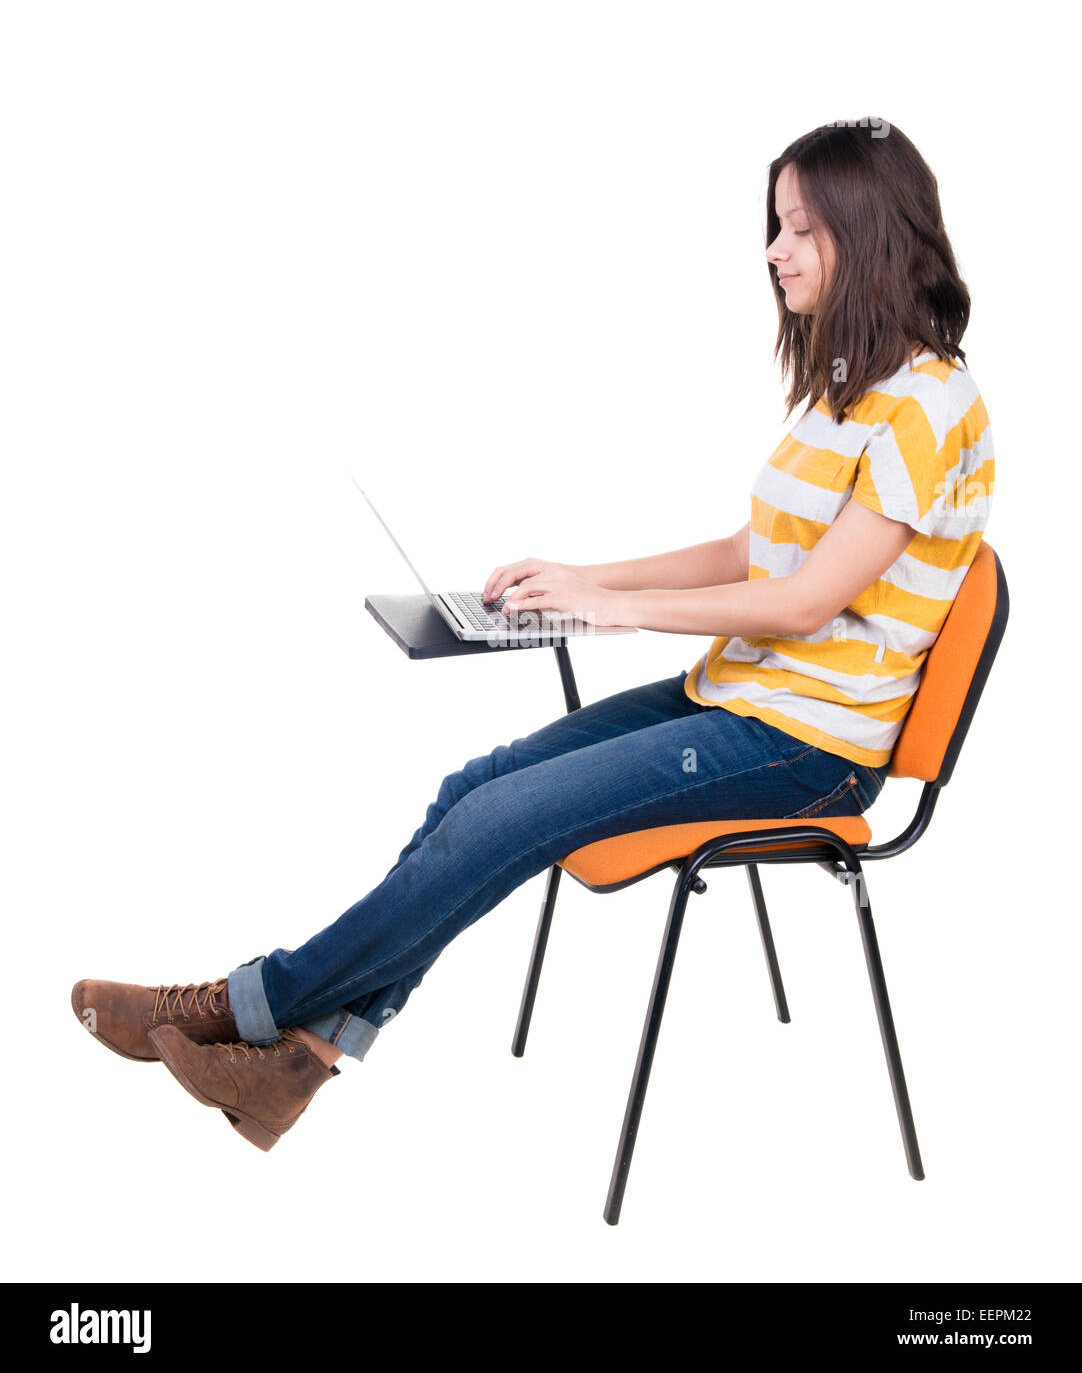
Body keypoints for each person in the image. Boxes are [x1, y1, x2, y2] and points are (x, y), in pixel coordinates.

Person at [72, 117, 995, 1153]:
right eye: (772, 225)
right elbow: (754, 549)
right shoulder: (846, 392)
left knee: (493, 825)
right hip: (742, 702)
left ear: (868, 231)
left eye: (799, 229)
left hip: (810, 752)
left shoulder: (928, 403)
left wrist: (617, 612)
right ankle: (302, 1060)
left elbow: (798, 603)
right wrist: (580, 579)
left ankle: (241, 1004)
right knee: (473, 786)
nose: (771, 251)